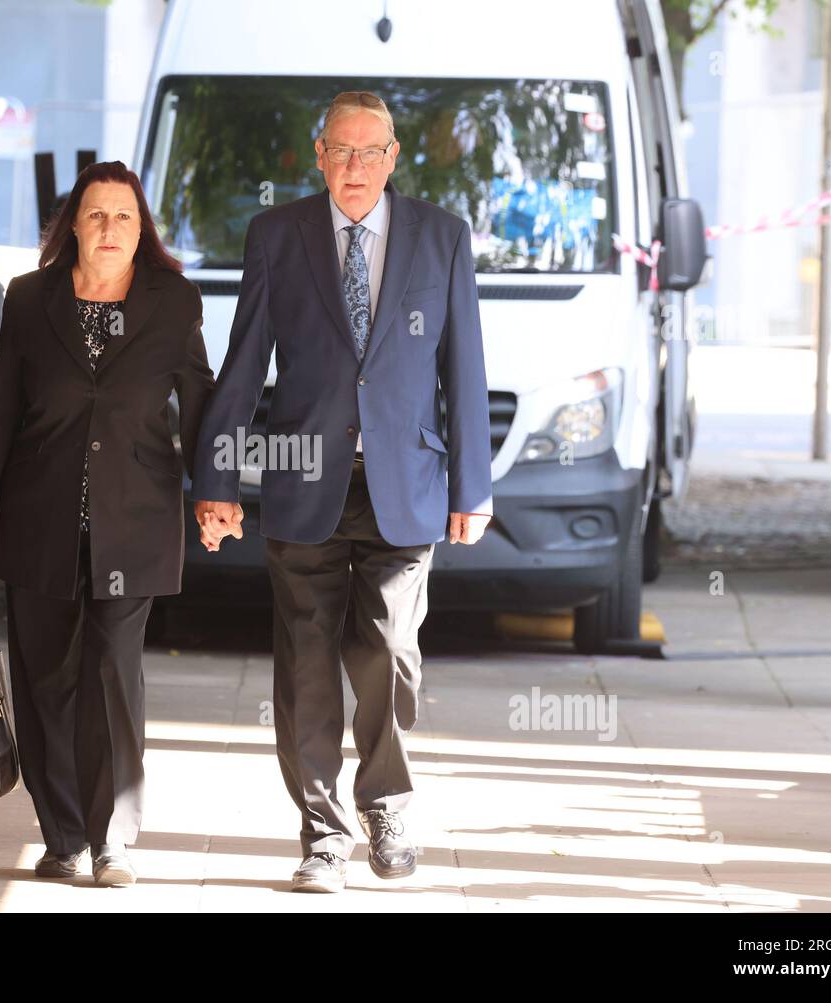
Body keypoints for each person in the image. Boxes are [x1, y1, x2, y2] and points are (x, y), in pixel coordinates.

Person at [193, 92, 494, 893]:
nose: (355, 168)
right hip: (303, 484)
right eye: (341, 152)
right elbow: (244, 363)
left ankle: (386, 799)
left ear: (394, 157)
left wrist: (474, 485)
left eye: (371, 152)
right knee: (305, 665)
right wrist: (216, 479)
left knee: (390, 651)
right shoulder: (276, 236)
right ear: (317, 155)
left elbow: (463, 368)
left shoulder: (442, 237)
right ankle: (323, 833)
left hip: (406, 484)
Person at [0, 161, 214, 887]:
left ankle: (112, 837)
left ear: (142, 228)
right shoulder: (31, 300)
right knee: (43, 679)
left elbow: (199, 401)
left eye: (123, 217)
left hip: (134, 521)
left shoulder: (173, 301)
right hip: (39, 518)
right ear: (72, 223)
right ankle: (62, 833)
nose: (109, 229)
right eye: (96, 215)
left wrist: (215, 492)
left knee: (111, 673)